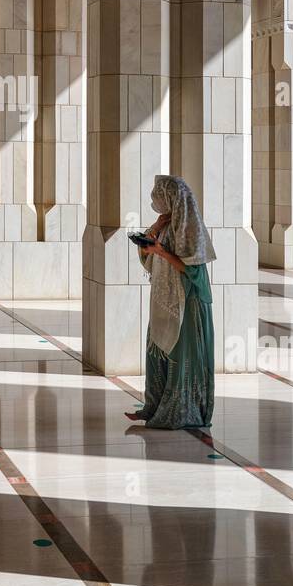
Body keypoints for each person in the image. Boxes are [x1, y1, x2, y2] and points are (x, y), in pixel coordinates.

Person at [125, 175, 216, 430]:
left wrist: (161, 251)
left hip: (187, 303)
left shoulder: (189, 227)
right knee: (159, 352)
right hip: (164, 298)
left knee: (180, 354)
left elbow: (194, 270)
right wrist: (154, 228)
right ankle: (154, 406)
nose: (157, 203)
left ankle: (181, 409)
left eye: (160, 198)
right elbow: (148, 257)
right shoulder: (166, 223)